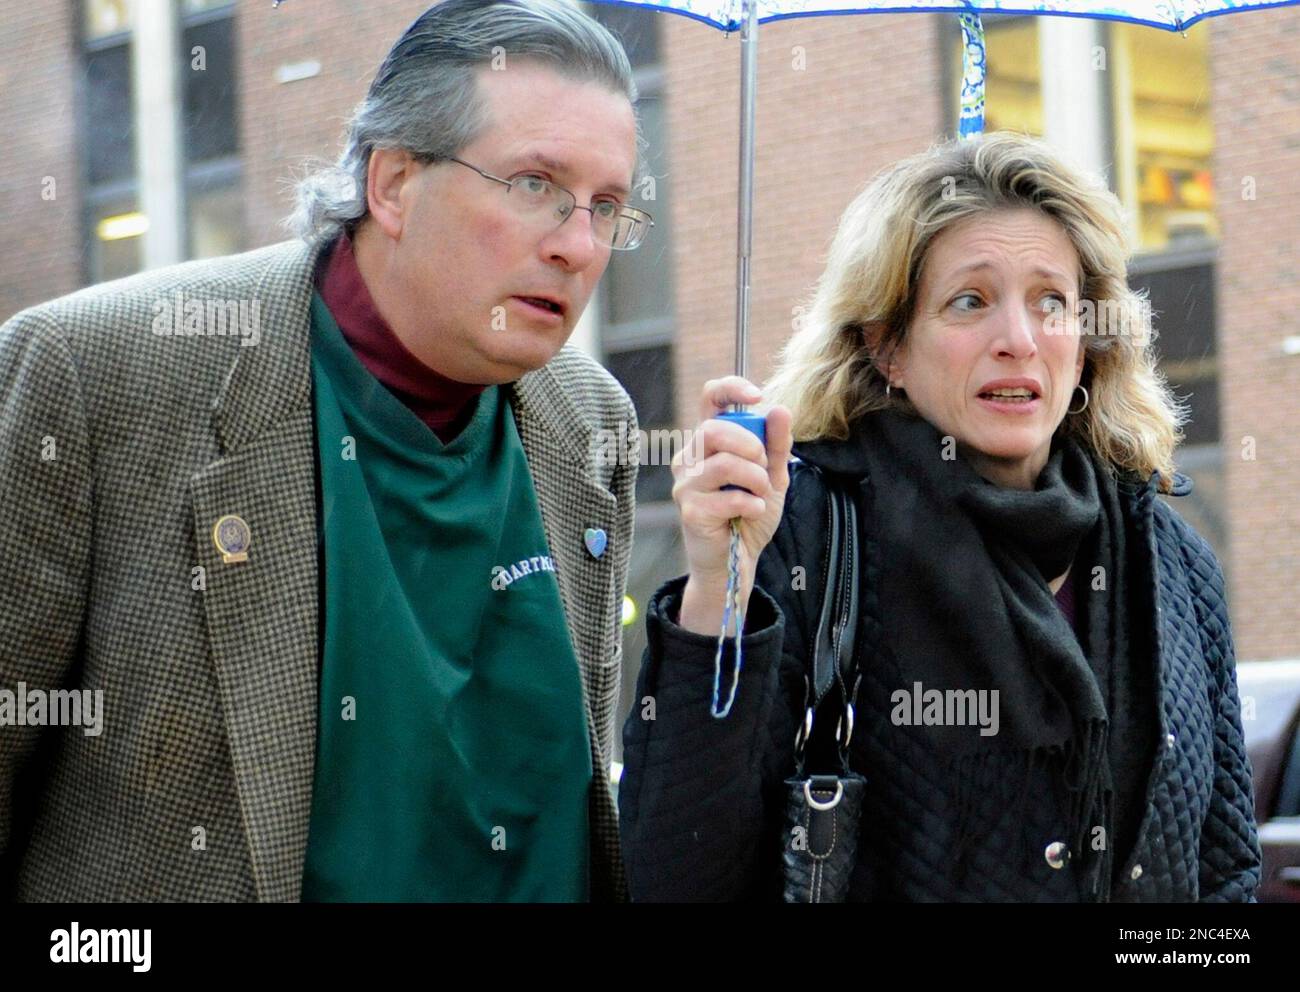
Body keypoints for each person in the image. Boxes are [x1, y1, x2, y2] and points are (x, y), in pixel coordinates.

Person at [0, 0, 646, 902]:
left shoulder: (591, 420)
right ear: (392, 184)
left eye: (607, 206)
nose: (580, 246)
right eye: (535, 184)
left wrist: (717, 600)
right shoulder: (99, 374)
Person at [619, 132, 1261, 902]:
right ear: (887, 345)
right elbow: (674, 874)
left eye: (1050, 302)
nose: (1017, 342)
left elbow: (1225, 874)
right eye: (970, 301)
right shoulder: (804, 532)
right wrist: (716, 593)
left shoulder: (1171, 561)